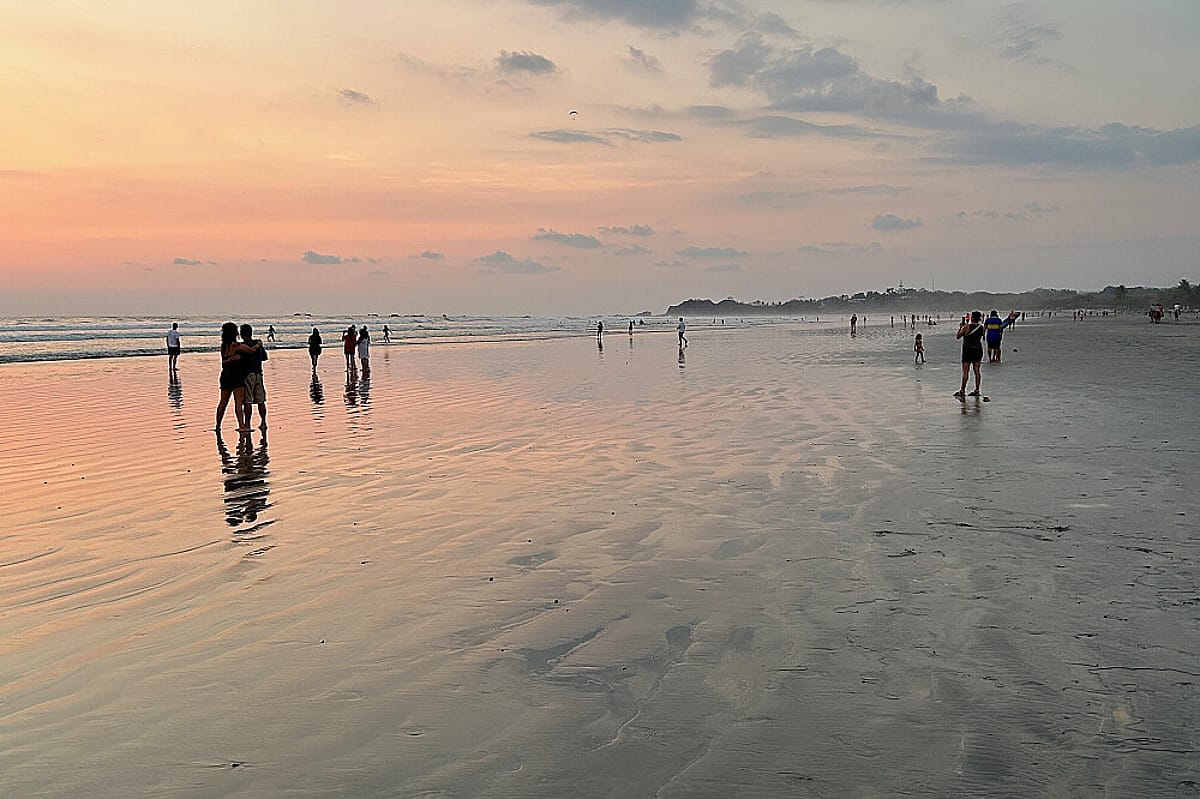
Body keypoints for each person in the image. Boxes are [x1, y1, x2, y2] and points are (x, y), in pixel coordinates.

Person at [215, 322, 256, 433]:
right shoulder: (237, 345)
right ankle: (241, 425)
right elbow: (251, 350)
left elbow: (224, 361)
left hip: (225, 375)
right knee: (238, 402)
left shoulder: (224, 346)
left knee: (223, 402)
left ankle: (218, 425)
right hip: (237, 375)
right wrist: (259, 344)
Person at [239, 323, 268, 430]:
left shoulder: (242, 346)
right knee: (261, 400)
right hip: (258, 373)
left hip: (247, 374)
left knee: (248, 401)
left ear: (242, 334)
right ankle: (263, 422)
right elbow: (265, 357)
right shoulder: (258, 344)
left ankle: (247, 423)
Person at [955, 310, 986, 398]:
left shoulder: (967, 327)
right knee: (977, 370)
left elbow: (958, 336)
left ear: (972, 318)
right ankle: (977, 390)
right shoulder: (981, 327)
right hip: (978, 349)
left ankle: (962, 390)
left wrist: (961, 327)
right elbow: (982, 336)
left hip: (967, 350)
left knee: (965, 371)